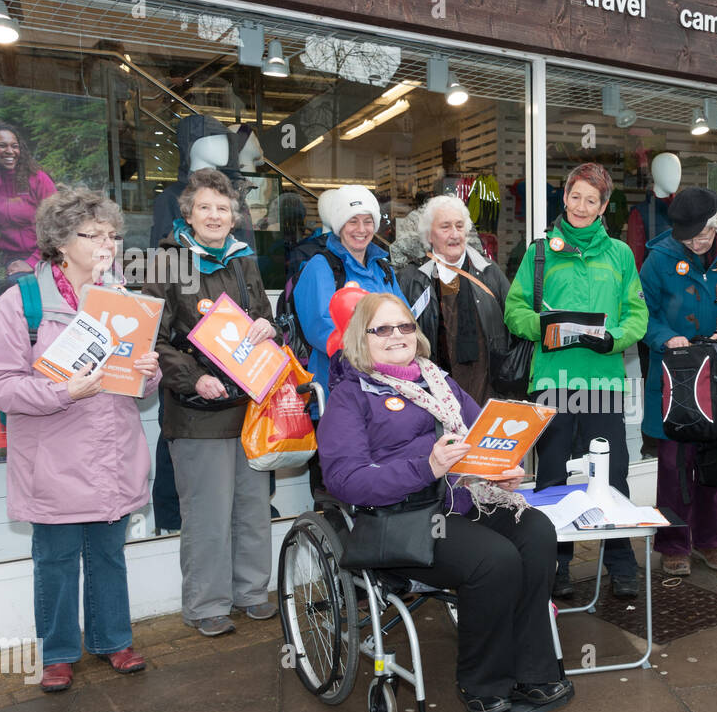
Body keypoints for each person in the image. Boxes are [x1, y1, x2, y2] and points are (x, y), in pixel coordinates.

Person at [318, 292, 572, 712]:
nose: (396, 335)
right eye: (381, 329)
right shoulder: (352, 395)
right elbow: (346, 481)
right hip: (401, 520)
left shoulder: (438, 381)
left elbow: (481, 436)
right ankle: (483, 684)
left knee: (537, 532)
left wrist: (500, 468)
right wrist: (427, 466)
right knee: (493, 559)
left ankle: (532, 671)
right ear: (360, 339)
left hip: (460, 501)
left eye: (404, 326)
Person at [0, 188, 159, 692]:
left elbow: (137, 383)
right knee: (55, 560)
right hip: (52, 458)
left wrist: (149, 372)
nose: (107, 244)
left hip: (113, 453)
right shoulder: (22, 303)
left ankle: (113, 641)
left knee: (108, 554)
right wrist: (62, 391)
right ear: (60, 240)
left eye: (112, 235)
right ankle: (57, 654)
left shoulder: (126, 300)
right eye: (93, 235)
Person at [143, 168, 277, 637]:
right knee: (208, 515)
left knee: (252, 508)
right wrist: (195, 379)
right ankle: (207, 604)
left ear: (234, 216)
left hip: (249, 409)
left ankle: (253, 592)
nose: (215, 215)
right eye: (205, 207)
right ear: (188, 214)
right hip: (196, 413)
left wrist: (269, 328)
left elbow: (263, 315)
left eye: (223, 208)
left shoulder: (244, 260)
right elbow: (151, 341)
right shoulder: (162, 262)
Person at [504, 163, 648, 599]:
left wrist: (615, 338)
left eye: (592, 200)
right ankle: (555, 565)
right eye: (575, 196)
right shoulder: (541, 250)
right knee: (551, 477)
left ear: (604, 207)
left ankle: (620, 563)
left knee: (614, 474)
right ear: (564, 198)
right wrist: (541, 325)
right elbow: (515, 310)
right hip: (553, 380)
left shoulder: (620, 255)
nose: (581, 206)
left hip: (604, 383)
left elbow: (637, 315)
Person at [641, 186, 717, 576]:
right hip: (675, 374)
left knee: (714, 461)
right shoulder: (658, 260)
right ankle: (673, 544)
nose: (697, 243)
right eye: (688, 238)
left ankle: (710, 542)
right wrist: (664, 337)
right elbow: (643, 313)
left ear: (716, 221)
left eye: (702, 234)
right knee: (673, 465)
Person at [397, 194, 511, 405]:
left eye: (459, 226)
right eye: (445, 227)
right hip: (434, 391)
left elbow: (512, 321)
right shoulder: (413, 278)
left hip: (487, 386)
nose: (455, 234)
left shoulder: (489, 272)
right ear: (429, 235)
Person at [295, 184, 402, 402]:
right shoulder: (321, 266)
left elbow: (405, 317)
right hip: (339, 387)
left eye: (368, 221)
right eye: (353, 221)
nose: (361, 229)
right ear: (340, 225)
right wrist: (377, 351)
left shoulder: (383, 269)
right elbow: (320, 328)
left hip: (387, 383)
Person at [0, 122, 56, 279]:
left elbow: (59, 225)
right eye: (2, 146)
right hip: (15, 259)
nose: (10, 151)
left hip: (49, 253)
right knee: (16, 285)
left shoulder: (38, 178)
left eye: (14, 146)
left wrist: (33, 261)